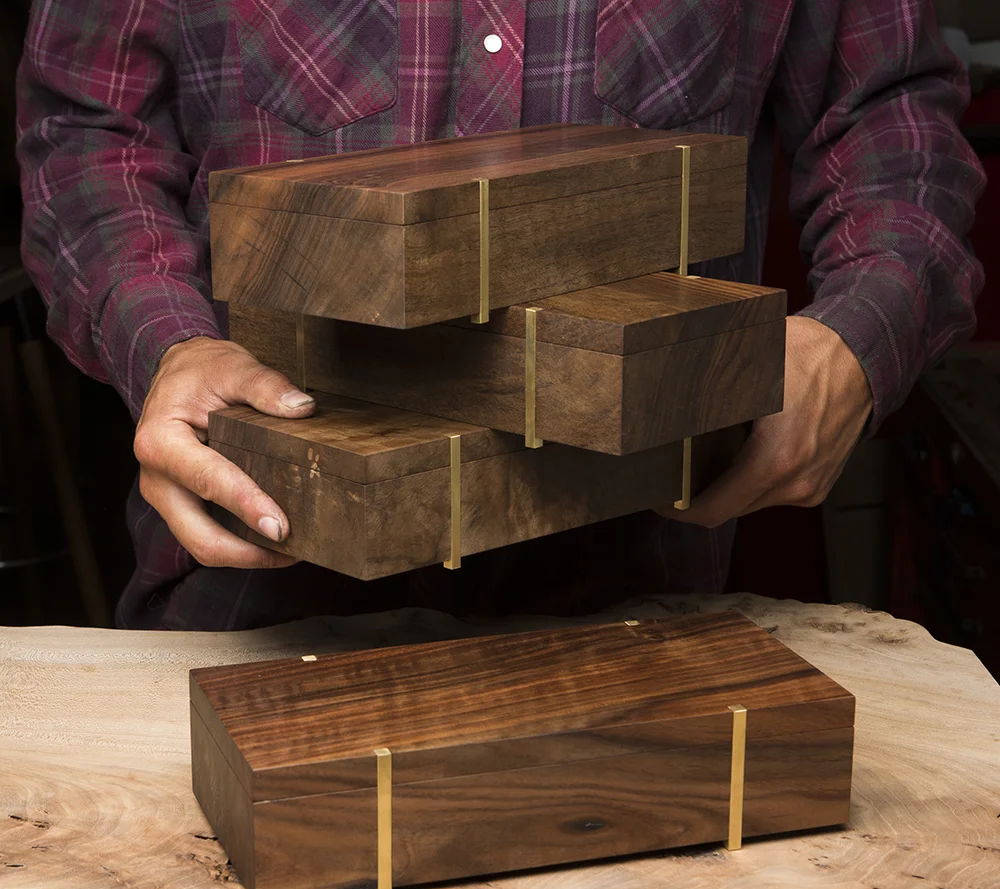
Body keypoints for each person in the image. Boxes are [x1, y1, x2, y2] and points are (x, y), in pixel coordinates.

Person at [16, 0, 983, 630]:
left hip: (646, 607)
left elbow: (887, 114)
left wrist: (856, 338)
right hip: (258, 589)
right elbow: (87, 130)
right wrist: (166, 342)